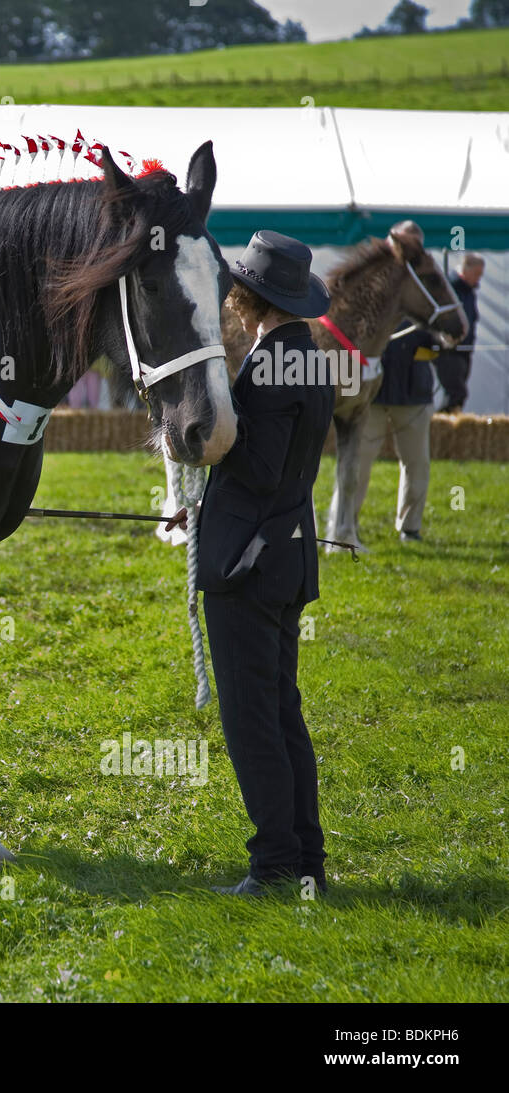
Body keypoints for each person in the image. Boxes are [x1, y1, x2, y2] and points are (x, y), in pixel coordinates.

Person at [196, 230, 337, 897]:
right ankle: (305, 857)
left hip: (248, 566)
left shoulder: (268, 364)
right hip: (285, 555)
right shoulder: (306, 357)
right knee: (282, 712)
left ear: (252, 295)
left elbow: (259, 467)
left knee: (253, 719)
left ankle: (276, 862)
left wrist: (212, 438)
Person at [356, 323, 442, 543]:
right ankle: (346, 523)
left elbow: (443, 339)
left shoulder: (427, 295)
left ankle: (410, 528)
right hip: (370, 393)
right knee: (358, 461)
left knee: (416, 462)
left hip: (413, 394)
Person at [434, 253, 482, 413]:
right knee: (456, 394)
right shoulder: (449, 288)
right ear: (465, 269)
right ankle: (441, 428)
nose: (478, 278)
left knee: (458, 396)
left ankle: (450, 424)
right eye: (476, 274)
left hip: (464, 352)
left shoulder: (469, 291)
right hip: (449, 352)